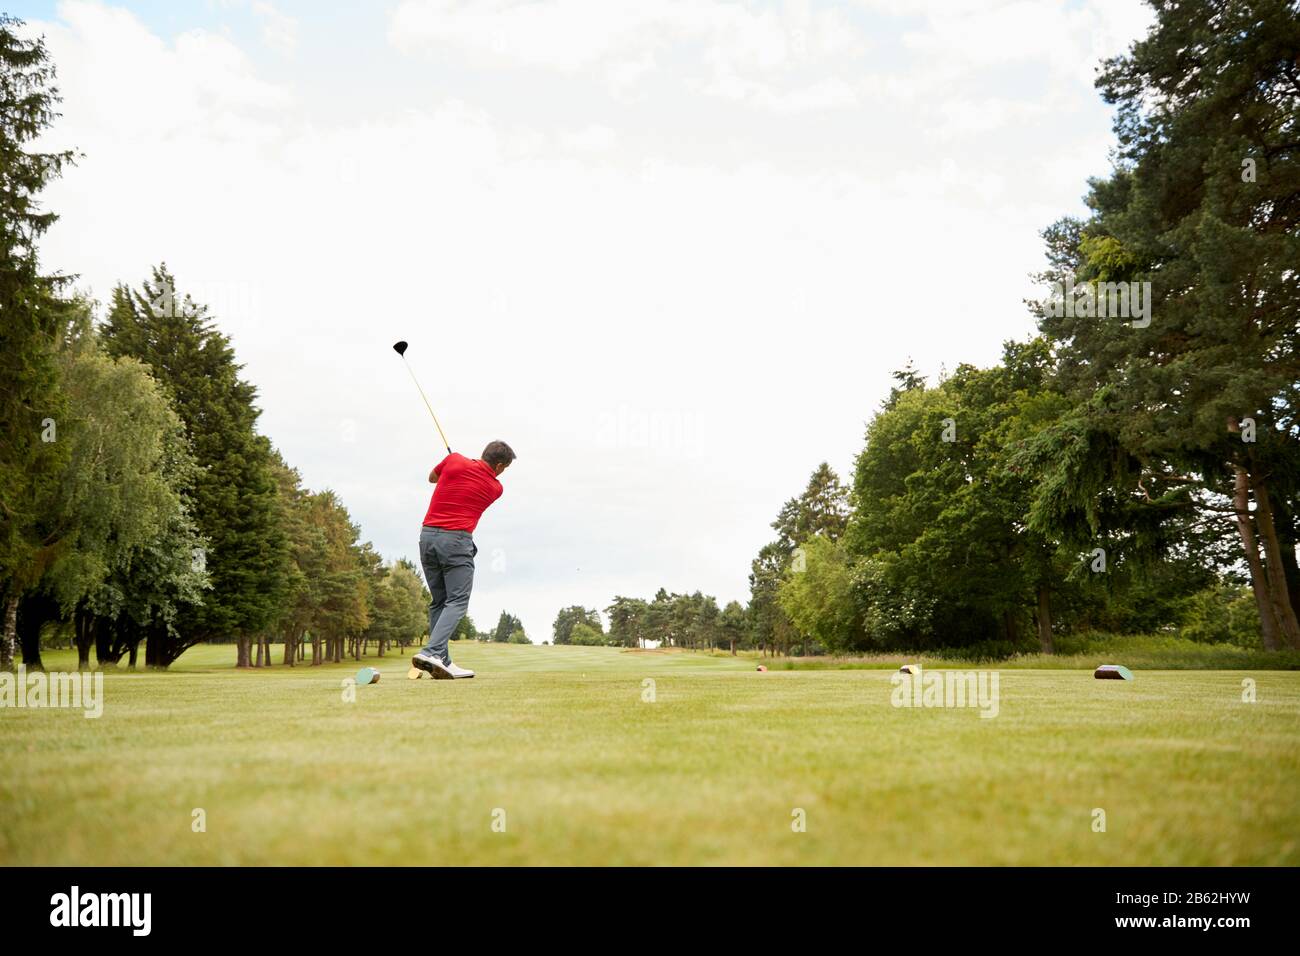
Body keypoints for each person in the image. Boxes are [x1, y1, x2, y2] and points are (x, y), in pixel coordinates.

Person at [411, 440, 515, 679]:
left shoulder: (454, 459)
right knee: (457, 601)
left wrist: (453, 464)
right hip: (456, 542)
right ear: (499, 466)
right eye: (505, 468)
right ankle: (433, 652)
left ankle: (442, 661)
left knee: (440, 601)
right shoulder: (495, 488)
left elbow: (432, 478)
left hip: (427, 538)